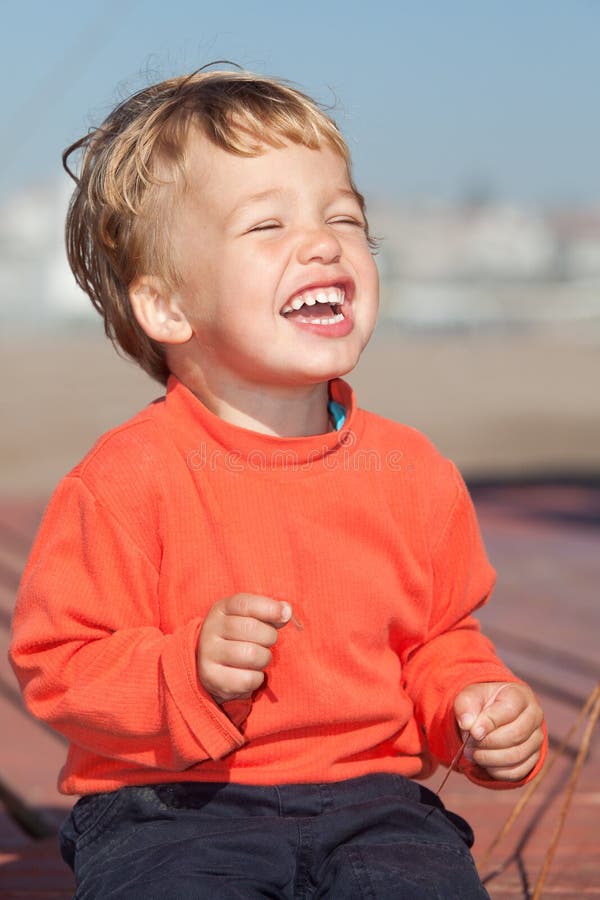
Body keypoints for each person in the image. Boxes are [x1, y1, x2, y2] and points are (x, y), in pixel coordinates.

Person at [10, 67, 545, 899]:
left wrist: (473, 706)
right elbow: (58, 666)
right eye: (267, 224)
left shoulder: (414, 474)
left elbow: (440, 637)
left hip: (376, 802)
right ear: (166, 306)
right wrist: (184, 667)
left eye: (344, 218)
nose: (325, 242)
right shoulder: (124, 480)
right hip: (173, 805)